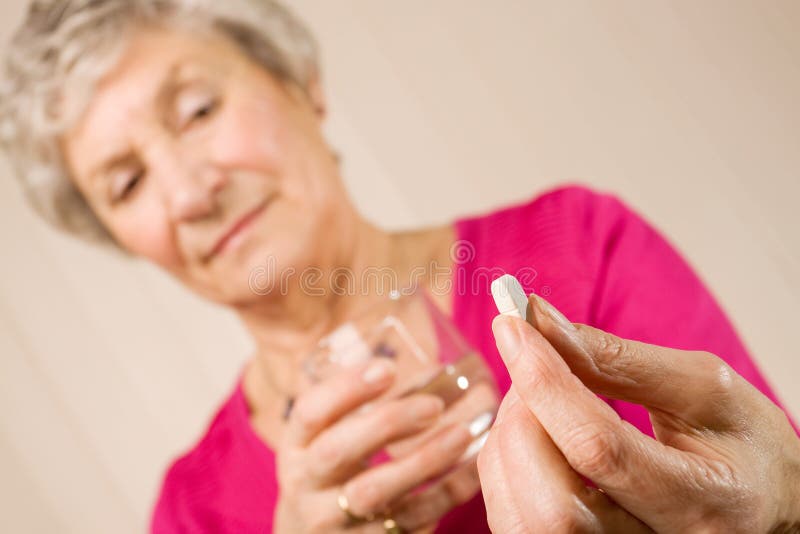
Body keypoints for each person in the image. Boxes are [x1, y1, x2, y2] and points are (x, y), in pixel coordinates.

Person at [0, 1, 795, 532]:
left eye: (198, 110)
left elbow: (771, 484)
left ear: (303, 83)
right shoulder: (195, 510)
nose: (187, 192)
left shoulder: (578, 245)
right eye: (127, 182)